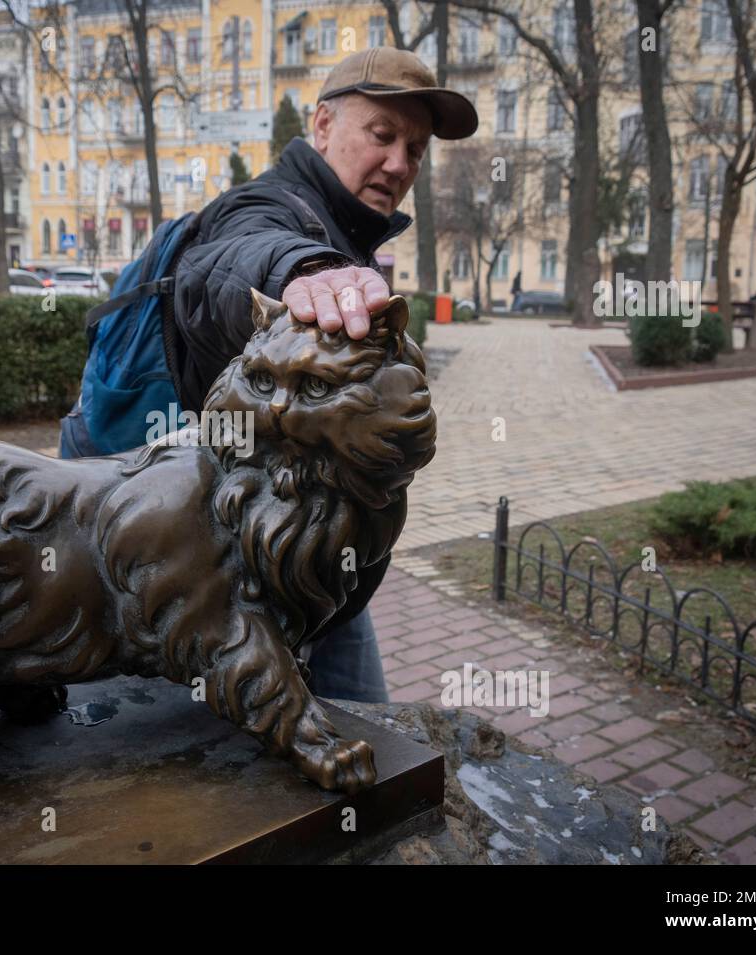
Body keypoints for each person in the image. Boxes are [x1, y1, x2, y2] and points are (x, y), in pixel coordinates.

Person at [168, 47, 478, 702]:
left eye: (416, 149)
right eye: (382, 134)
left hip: (311, 557)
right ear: (323, 126)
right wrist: (306, 272)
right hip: (199, 560)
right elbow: (225, 260)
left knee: (368, 734)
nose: (399, 163)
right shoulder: (269, 206)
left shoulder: (350, 227)